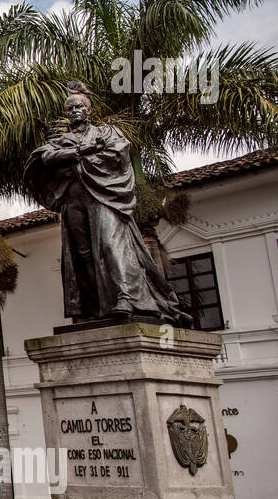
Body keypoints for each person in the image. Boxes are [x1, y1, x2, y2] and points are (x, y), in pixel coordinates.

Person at [23, 81, 188, 324]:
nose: (75, 111)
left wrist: (75, 163)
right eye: (70, 109)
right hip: (73, 201)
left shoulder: (107, 132)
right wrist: (81, 152)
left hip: (103, 197)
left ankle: (126, 297)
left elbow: (117, 155)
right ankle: (93, 306)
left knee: (111, 245)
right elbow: (44, 158)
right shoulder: (62, 140)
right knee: (82, 255)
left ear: (88, 110)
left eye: (79, 107)